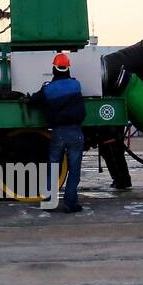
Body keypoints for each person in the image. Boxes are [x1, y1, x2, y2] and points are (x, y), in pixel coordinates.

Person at [27, 53, 87, 213]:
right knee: (74, 169)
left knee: (53, 167)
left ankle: (48, 201)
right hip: (75, 132)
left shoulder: (48, 89)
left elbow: (34, 101)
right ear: (68, 68)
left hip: (59, 132)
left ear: (54, 68)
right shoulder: (76, 85)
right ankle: (71, 203)